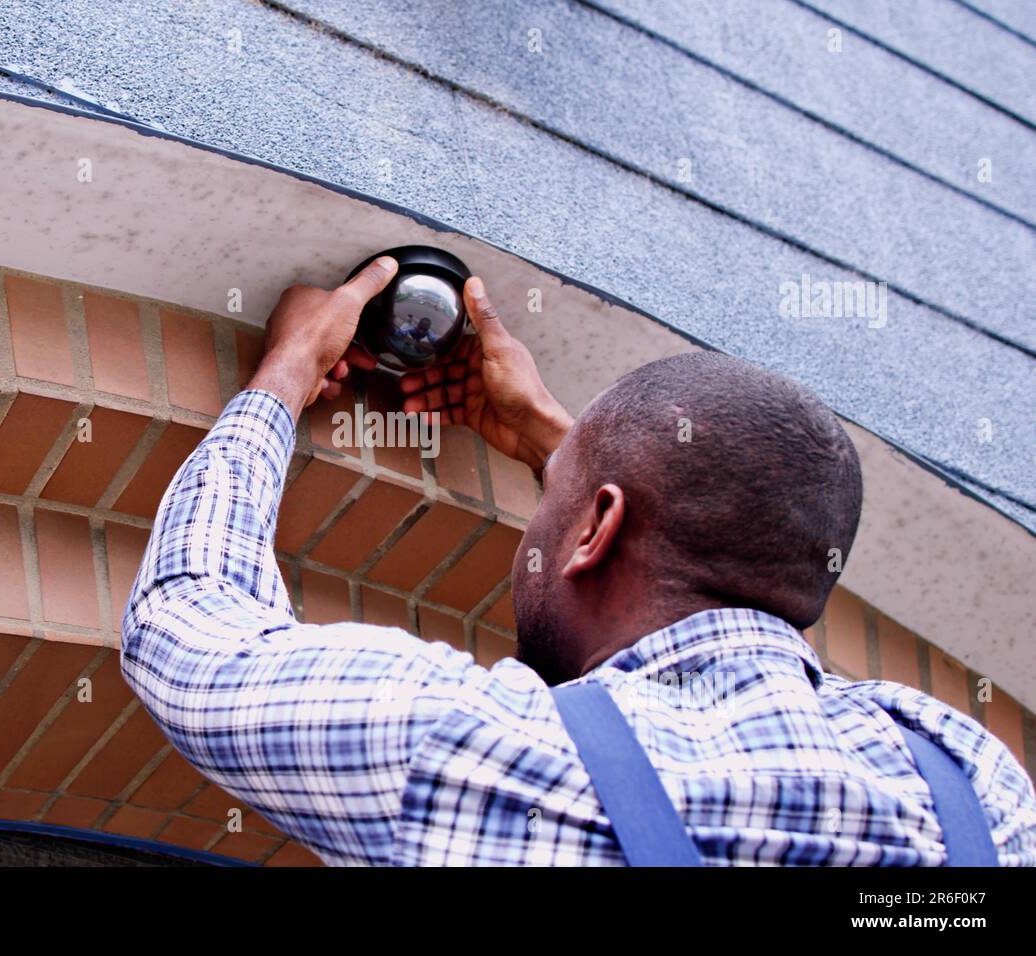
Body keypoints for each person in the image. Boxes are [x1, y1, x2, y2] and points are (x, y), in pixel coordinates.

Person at [120, 257, 1036, 866]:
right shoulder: (973, 786)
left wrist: (284, 373)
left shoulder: (502, 760)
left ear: (595, 531)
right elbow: (723, 555)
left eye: (551, 510)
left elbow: (191, 632)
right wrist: (579, 461)